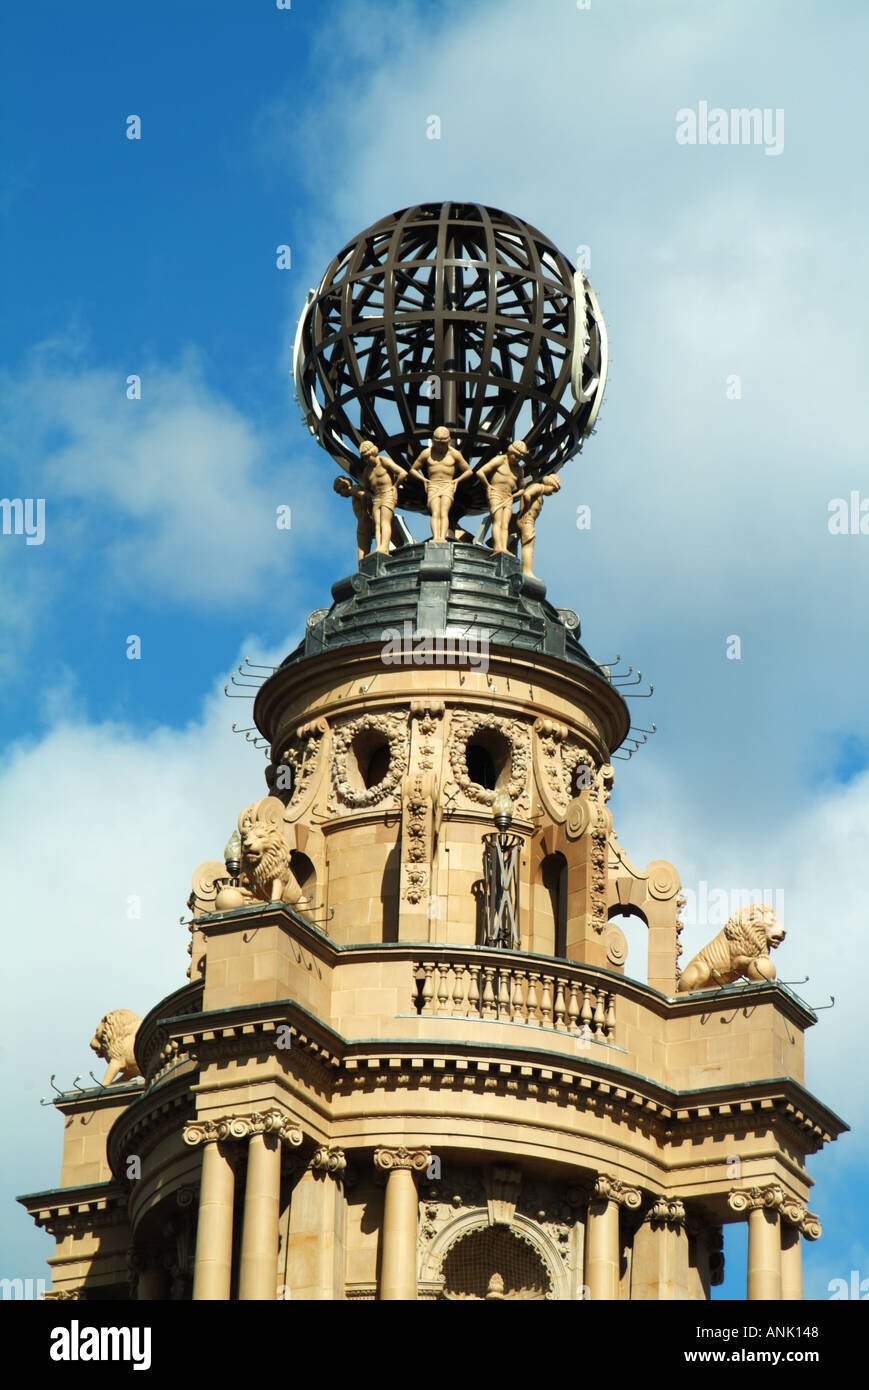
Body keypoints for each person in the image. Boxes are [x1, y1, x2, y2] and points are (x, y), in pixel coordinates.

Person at [408, 426, 473, 542]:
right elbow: (413, 470)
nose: (440, 446)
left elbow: (468, 471)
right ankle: (436, 537)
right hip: (433, 485)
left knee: (444, 512)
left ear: (448, 441)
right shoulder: (427, 453)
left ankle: (442, 537)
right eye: (437, 443)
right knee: (435, 512)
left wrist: (456, 481)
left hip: (447, 485)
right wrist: (424, 480)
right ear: (433, 441)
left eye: (442, 444)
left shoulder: (454, 454)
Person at [477, 440, 528, 554]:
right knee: (497, 521)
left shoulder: (519, 470)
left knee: (505, 525)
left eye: (520, 458)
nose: (517, 459)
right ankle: (497, 547)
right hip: (496, 494)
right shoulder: (500, 460)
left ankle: (503, 548)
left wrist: (514, 495)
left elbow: (522, 489)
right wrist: (488, 486)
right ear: (510, 452)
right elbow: (480, 472)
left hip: (508, 498)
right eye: (516, 456)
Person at [357, 440, 407, 553]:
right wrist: (369, 496)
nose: (366, 460)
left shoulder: (383, 461)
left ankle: (384, 547)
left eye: (367, 456)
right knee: (377, 524)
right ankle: (379, 547)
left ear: (373, 452)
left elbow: (402, 473)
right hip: (377, 498)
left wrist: (395, 486)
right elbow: (366, 489)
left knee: (385, 521)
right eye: (364, 458)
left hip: (388, 494)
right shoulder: (367, 471)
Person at [512, 473, 561, 576]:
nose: (552, 493)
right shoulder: (538, 487)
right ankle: (527, 572)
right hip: (527, 520)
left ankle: (514, 566)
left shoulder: (540, 495)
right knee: (528, 545)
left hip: (525, 519)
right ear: (549, 484)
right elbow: (526, 495)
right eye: (553, 490)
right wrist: (525, 511)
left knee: (514, 542)